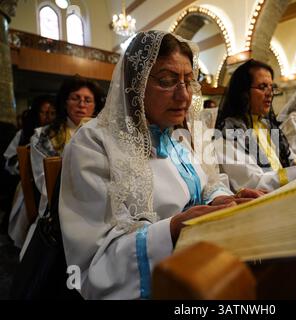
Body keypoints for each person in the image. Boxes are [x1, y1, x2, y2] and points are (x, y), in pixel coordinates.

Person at [58, 31, 263, 299]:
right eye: (167, 81)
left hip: (200, 260)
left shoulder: (176, 136)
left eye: (189, 82)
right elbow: (96, 260)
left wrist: (223, 201)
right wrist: (174, 228)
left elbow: (207, 186)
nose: (184, 96)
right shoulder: (94, 143)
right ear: (135, 84)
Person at [19, 76, 105, 258]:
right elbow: (45, 183)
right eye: (75, 98)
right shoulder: (44, 136)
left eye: (88, 100)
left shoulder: (106, 136)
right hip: (63, 206)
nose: (82, 104)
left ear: (95, 106)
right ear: (65, 102)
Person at [214, 60, 296, 192]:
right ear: (243, 92)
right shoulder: (228, 132)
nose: (270, 93)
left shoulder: (267, 126)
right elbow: (254, 183)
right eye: (262, 87)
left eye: (271, 87)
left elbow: (291, 161)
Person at [3, 95, 56, 247]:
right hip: (28, 179)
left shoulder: (56, 135)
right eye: (43, 113)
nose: (48, 117)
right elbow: (10, 159)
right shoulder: (25, 133)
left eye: (52, 113)